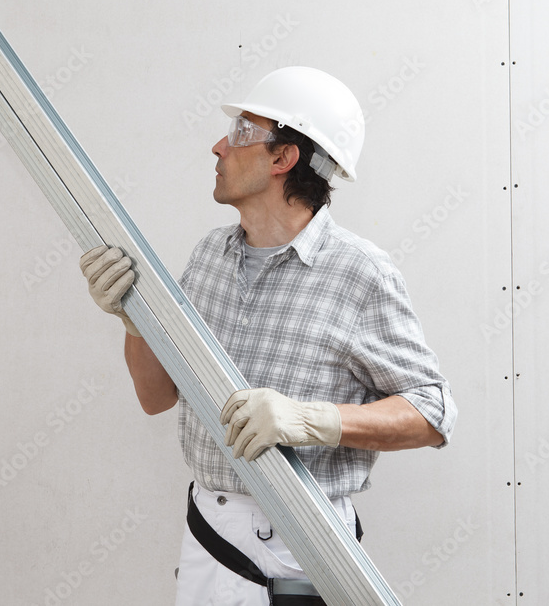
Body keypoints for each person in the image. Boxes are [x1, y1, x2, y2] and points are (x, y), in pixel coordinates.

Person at [79, 66, 456, 605]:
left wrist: (310, 420)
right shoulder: (210, 255)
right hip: (208, 537)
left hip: (301, 545)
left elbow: (434, 413)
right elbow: (156, 397)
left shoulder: (360, 273)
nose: (218, 147)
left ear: (283, 159)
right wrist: (134, 323)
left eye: (239, 134)